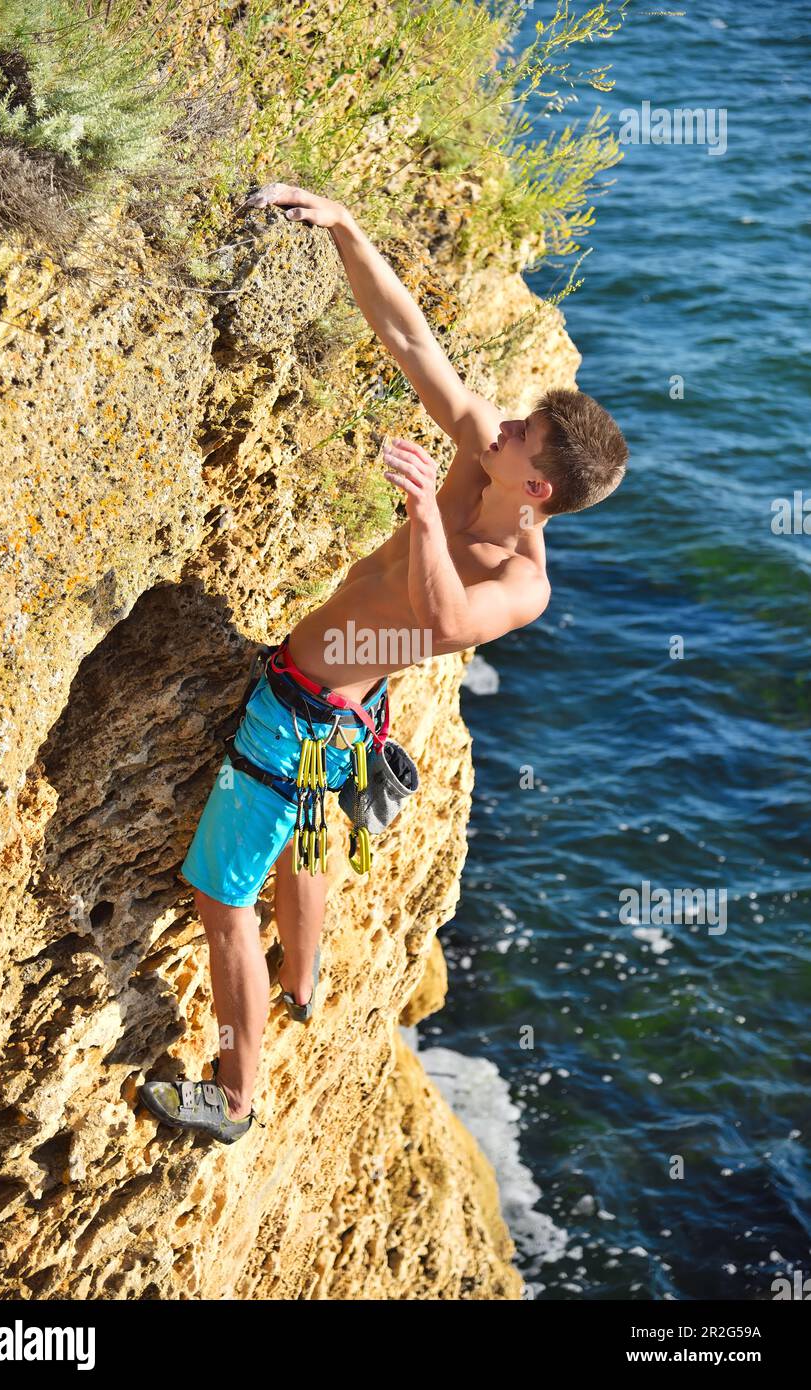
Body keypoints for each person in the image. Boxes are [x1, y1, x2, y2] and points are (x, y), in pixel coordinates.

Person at [138, 182, 628, 1144]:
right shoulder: (480, 457)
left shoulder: (520, 581)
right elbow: (411, 342)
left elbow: (444, 619)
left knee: (221, 897)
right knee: (308, 836)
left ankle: (233, 1099)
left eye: (520, 434)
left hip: (301, 715)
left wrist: (420, 520)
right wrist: (346, 227)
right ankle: (303, 978)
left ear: (535, 487)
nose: (499, 424)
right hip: (342, 712)